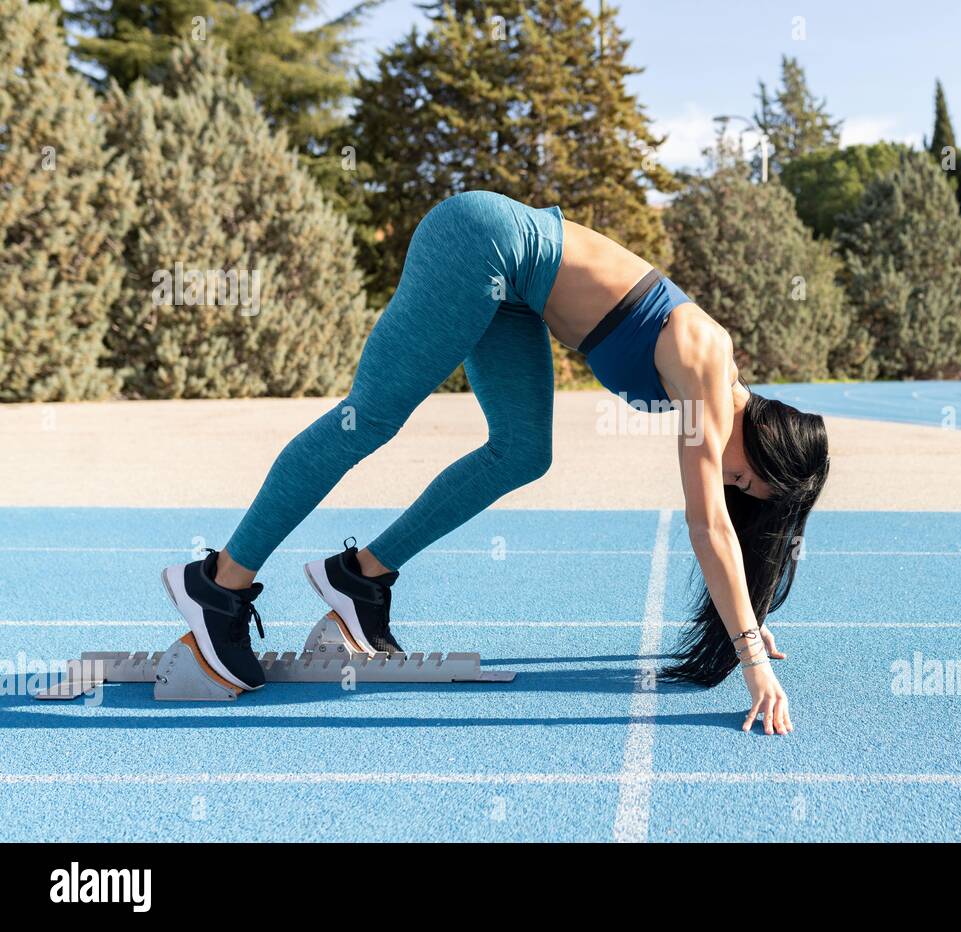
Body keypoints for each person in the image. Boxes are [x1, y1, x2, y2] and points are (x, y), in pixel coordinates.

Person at [161, 191, 829, 734]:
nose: (733, 482)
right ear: (766, 434)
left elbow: (727, 526)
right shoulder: (706, 363)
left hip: (517, 293)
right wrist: (750, 660)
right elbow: (707, 523)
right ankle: (218, 582)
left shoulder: (715, 388)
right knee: (368, 418)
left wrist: (753, 616)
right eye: (747, 475)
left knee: (522, 452)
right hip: (480, 240)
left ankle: (360, 577)